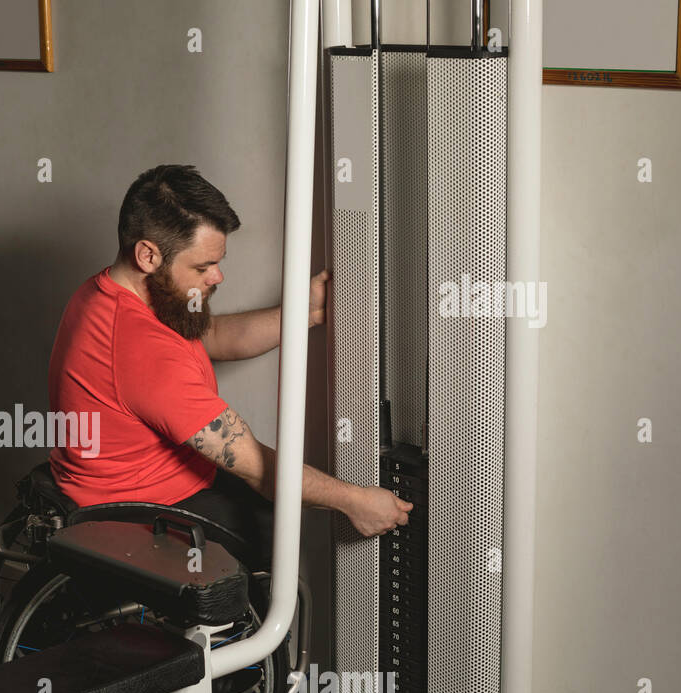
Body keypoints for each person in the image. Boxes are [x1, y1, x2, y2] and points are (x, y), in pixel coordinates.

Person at [47, 164, 410, 568]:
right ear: (147, 255)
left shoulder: (116, 293)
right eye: (202, 268)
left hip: (158, 482)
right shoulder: (141, 350)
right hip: (139, 511)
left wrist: (302, 312)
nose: (218, 276)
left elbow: (213, 334)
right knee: (281, 535)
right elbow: (255, 468)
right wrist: (356, 501)